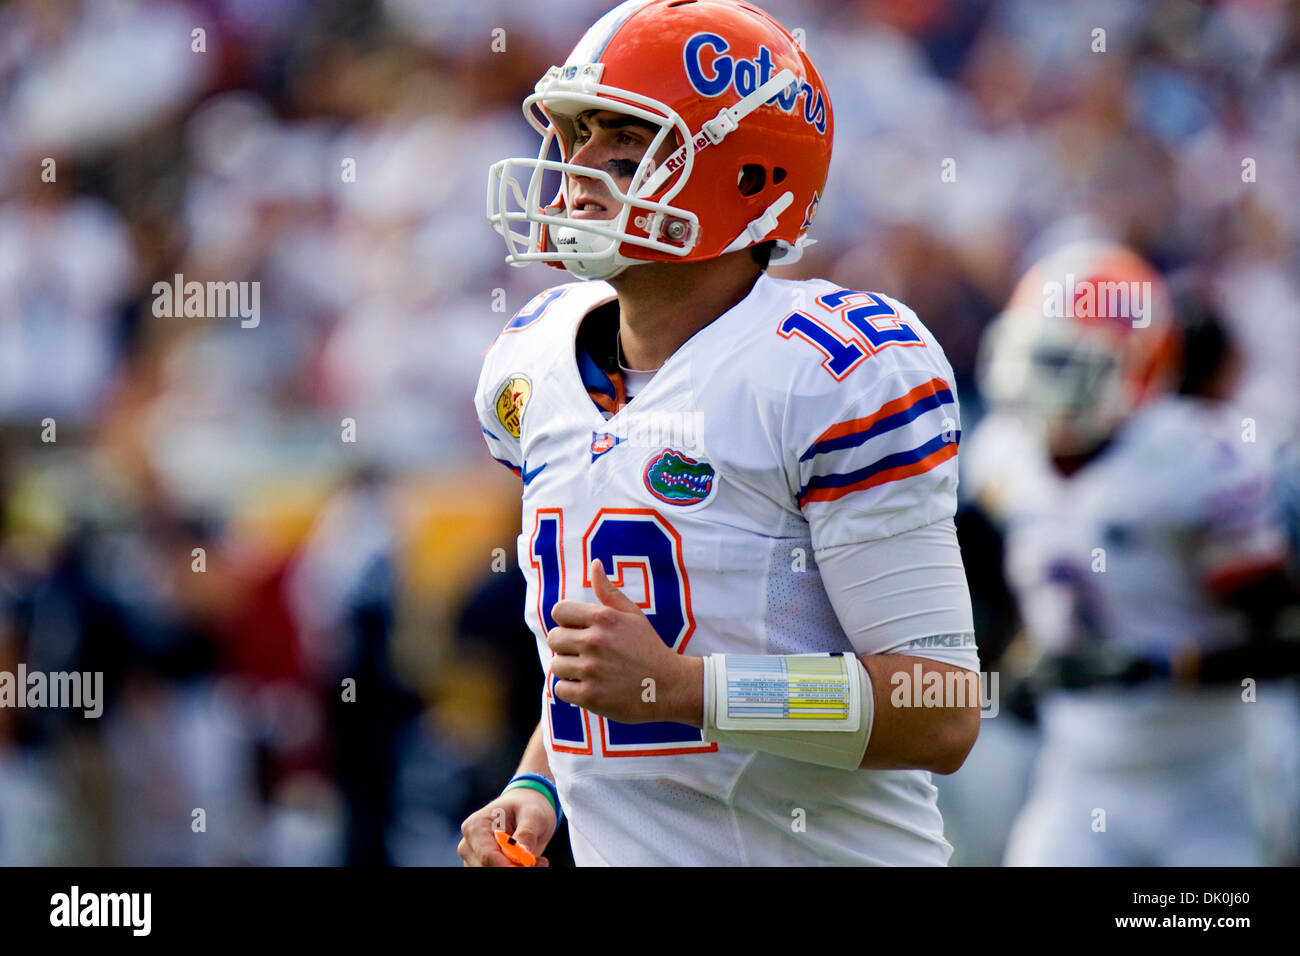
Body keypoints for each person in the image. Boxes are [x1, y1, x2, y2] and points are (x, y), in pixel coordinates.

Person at [462, 0, 980, 867]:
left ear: (747, 178)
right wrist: (539, 779)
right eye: (576, 139)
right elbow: (612, 652)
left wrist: (682, 688)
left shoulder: (832, 368)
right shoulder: (532, 362)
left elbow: (941, 710)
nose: (577, 173)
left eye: (623, 149)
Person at [969, 240, 1299, 865]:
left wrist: (1161, 665)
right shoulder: (1002, 455)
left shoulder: (1198, 466)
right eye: (1040, 357)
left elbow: (1285, 639)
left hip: (1209, 778)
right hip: (1080, 773)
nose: (1043, 385)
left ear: (1139, 368)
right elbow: (989, 595)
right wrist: (1013, 666)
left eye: (1069, 365)